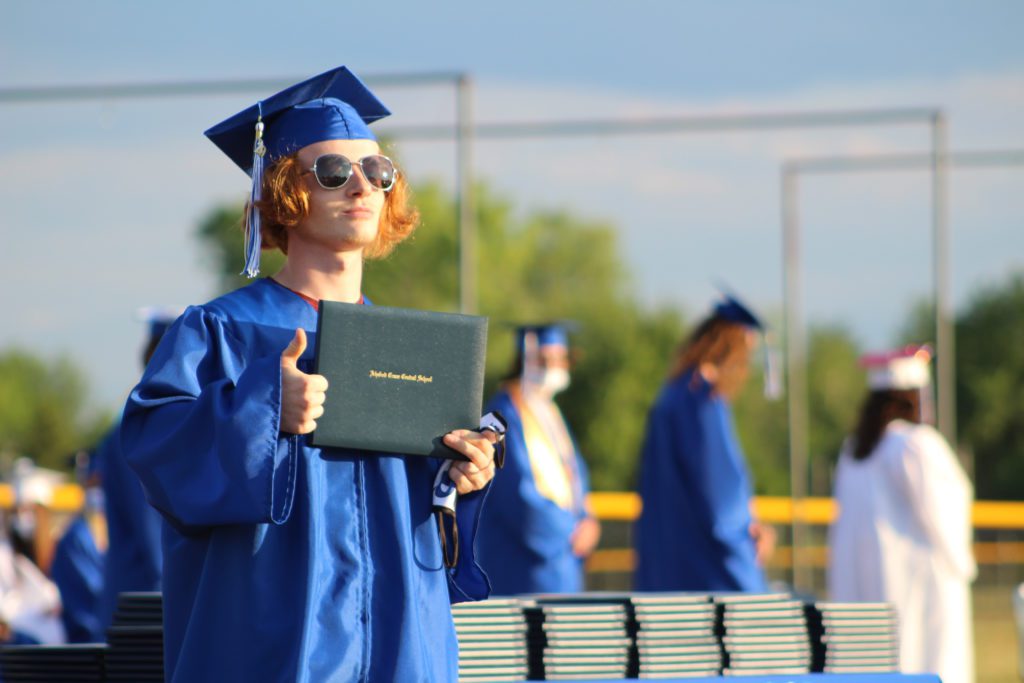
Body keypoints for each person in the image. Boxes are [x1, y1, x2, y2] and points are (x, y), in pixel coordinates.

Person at [119, 66, 497, 682]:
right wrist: (263, 409)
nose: (361, 187)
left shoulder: (415, 348)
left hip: (399, 640)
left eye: (378, 173)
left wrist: (463, 476)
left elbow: (421, 514)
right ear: (286, 192)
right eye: (333, 172)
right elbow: (154, 449)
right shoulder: (220, 332)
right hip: (274, 640)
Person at [828, 345, 975, 683]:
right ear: (912, 397)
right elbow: (944, 511)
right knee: (928, 662)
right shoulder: (916, 443)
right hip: (921, 586)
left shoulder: (854, 450)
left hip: (868, 593)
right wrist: (961, 563)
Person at [634, 295, 775, 592]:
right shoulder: (703, 401)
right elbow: (723, 500)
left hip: (668, 562)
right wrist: (748, 535)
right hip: (707, 570)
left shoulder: (673, 393)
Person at [477, 324, 600, 594]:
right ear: (526, 359)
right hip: (528, 562)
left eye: (560, 359)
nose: (554, 368)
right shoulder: (503, 414)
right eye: (545, 359)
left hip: (565, 559)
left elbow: (575, 474)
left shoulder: (549, 411)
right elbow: (517, 493)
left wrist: (588, 519)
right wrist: (570, 531)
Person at [96, 307, 177, 630]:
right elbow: (153, 534)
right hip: (145, 606)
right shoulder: (138, 431)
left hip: (144, 599)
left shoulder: (142, 426)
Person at [50, 451, 106, 643]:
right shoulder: (76, 537)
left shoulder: (103, 530)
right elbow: (95, 592)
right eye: (94, 484)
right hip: (88, 640)